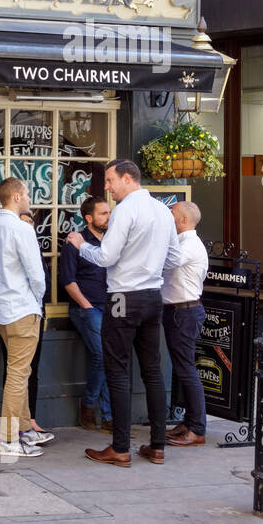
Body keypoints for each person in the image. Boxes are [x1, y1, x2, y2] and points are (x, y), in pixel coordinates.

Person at [67, 159, 182, 467]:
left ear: (128, 178)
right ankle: (157, 446)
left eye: (110, 180)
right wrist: (149, 266)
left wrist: (80, 245)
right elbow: (174, 258)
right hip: (152, 296)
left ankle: (120, 448)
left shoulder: (125, 211)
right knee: (152, 370)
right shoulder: (161, 210)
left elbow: (105, 257)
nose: (107, 186)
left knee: (116, 370)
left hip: (121, 298)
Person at [0, 178, 50, 458]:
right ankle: (9, 440)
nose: (29, 198)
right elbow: (37, 274)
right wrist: (38, 301)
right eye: (28, 194)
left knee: (21, 372)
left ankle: (25, 430)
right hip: (21, 309)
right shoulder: (21, 229)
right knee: (18, 375)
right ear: (18, 196)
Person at [61, 196, 112, 431]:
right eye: (103, 213)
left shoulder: (113, 241)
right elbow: (68, 281)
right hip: (87, 309)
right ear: (89, 218)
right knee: (103, 355)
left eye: (109, 212)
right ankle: (89, 405)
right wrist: (87, 306)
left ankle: (109, 416)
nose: (109, 217)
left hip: (113, 307)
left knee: (111, 357)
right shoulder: (74, 242)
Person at [162, 201, 210, 448]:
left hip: (185, 312)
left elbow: (166, 262)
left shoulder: (189, 245)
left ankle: (197, 429)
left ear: (181, 220)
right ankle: (189, 422)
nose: (167, 217)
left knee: (187, 370)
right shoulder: (182, 242)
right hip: (177, 311)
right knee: (183, 369)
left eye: (170, 214)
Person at [18, 210, 51, 437]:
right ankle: (20, 425)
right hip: (21, 314)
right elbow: (39, 283)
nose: (28, 226)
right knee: (18, 372)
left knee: (33, 368)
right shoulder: (16, 249)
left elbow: (45, 281)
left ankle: (30, 419)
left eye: (31, 222)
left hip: (36, 313)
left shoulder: (35, 250)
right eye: (24, 222)